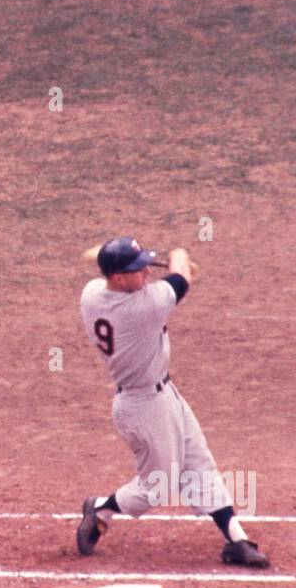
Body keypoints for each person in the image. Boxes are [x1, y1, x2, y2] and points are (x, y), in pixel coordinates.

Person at [76, 237, 269, 567]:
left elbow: (158, 279)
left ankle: (237, 540)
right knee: (157, 489)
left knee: (199, 464)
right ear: (118, 279)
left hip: (165, 395)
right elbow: (180, 278)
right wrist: (179, 253)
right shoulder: (143, 306)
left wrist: (137, 264)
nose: (147, 274)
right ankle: (101, 508)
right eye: (137, 270)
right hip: (142, 407)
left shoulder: (92, 293)